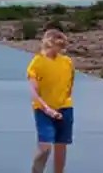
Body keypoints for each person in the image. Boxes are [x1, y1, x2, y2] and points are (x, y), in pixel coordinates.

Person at [28, 29, 75, 173]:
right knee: (45, 147)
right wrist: (47, 109)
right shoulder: (37, 63)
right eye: (58, 46)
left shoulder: (67, 62)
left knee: (61, 145)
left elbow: (70, 82)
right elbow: (34, 91)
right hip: (43, 110)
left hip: (64, 108)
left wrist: (64, 101)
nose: (60, 50)